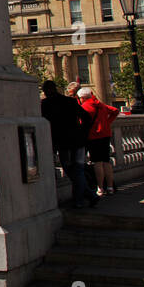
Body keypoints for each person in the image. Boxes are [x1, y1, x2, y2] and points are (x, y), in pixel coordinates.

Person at [41, 80, 97, 208]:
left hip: (62, 143)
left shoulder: (45, 104)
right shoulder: (70, 101)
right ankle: (88, 195)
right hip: (77, 140)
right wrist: (83, 133)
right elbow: (87, 118)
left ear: (46, 91)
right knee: (78, 170)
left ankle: (80, 200)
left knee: (71, 170)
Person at [78, 87, 121, 196]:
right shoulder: (100, 104)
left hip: (94, 137)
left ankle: (100, 187)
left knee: (97, 163)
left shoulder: (85, 107)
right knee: (106, 161)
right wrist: (107, 123)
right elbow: (115, 111)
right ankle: (110, 187)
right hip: (105, 135)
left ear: (82, 98)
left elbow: (81, 123)